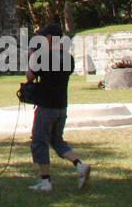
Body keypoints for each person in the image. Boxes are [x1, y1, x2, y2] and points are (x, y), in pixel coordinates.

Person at [26, 22, 91, 192]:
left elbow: (29, 77)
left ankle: (45, 181)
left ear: (49, 38)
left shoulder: (42, 57)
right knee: (57, 140)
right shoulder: (68, 58)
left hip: (46, 106)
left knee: (39, 140)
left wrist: (31, 56)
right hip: (62, 106)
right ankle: (79, 165)